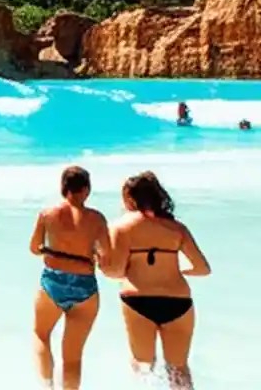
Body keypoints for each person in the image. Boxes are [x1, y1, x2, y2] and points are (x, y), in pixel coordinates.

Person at [105, 172, 210, 388]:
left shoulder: (121, 227)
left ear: (130, 198)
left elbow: (114, 272)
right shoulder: (177, 228)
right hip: (178, 301)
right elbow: (202, 268)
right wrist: (175, 270)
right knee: (179, 369)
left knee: (143, 366)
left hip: (137, 300)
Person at [29, 166, 112, 390]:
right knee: (73, 357)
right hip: (85, 285)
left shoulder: (47, 215)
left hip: (53, 282)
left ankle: (46, 385)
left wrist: (52, 251)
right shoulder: (97, 219)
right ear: (86, 189)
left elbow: (34, 248)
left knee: (41, 335)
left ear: (63, 188)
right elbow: (107, 260)